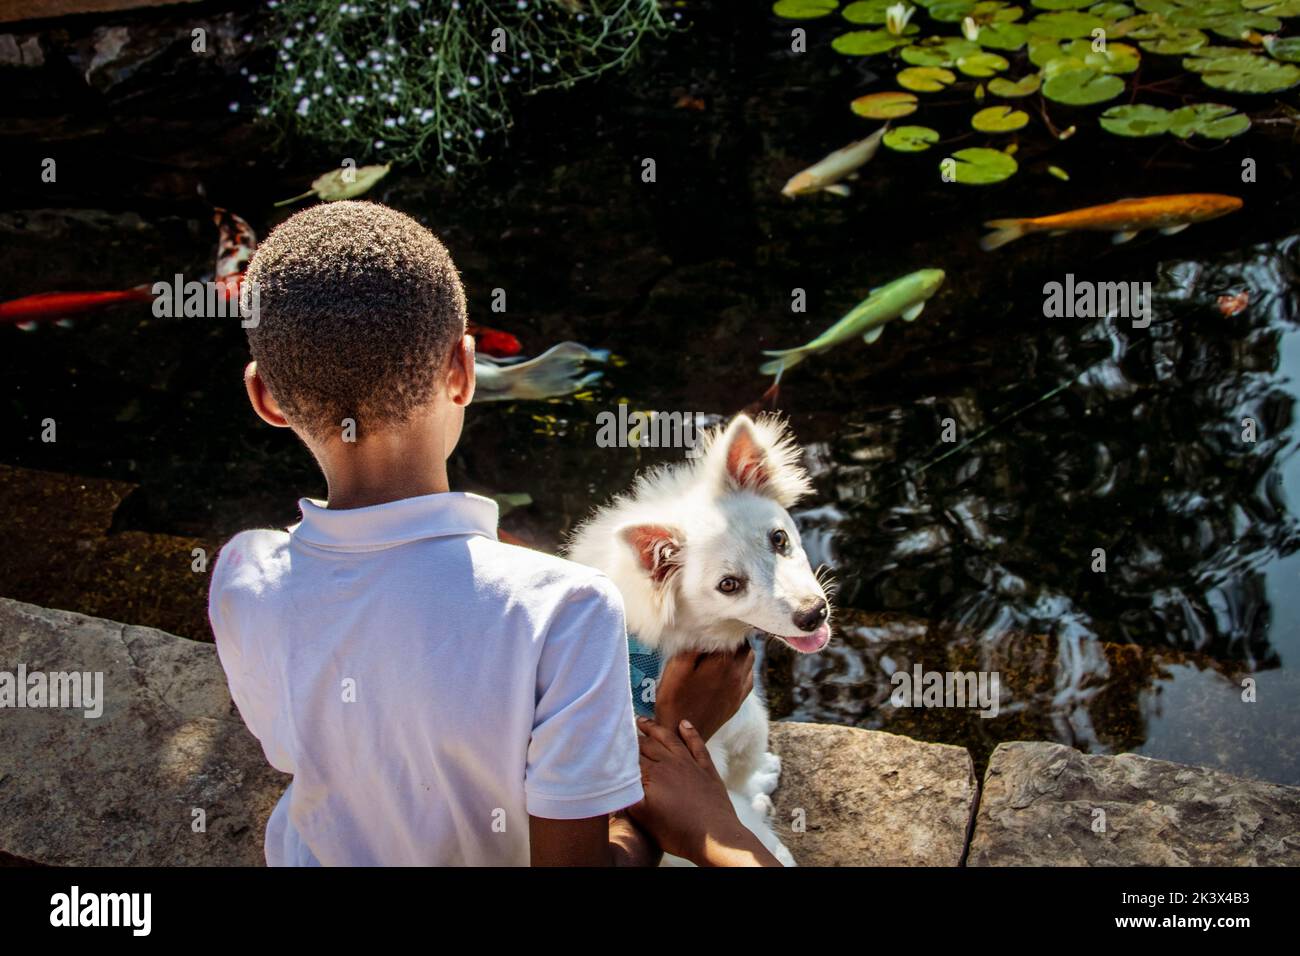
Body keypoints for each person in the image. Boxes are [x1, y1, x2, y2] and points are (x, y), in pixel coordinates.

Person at [208, 200, 779, 867]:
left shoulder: (242, 574)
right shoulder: (566, 610)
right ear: (463, 370)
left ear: (266, 399)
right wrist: (682, 746)